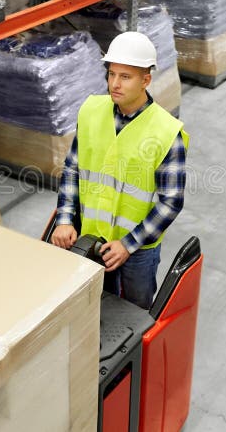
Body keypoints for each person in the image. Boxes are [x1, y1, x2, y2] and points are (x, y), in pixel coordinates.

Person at [51, 31, 189, 309]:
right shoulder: (91, 111)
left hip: (137, 251)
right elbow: (72, 169)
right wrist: (65, 219)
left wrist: (129, 243)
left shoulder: (166, 132)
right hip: (89, 235)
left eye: (125, 77)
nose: (114, 84)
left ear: (145, 80)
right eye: (112, 74)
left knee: (133, 314)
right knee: (90, 307)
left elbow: (171, 201)